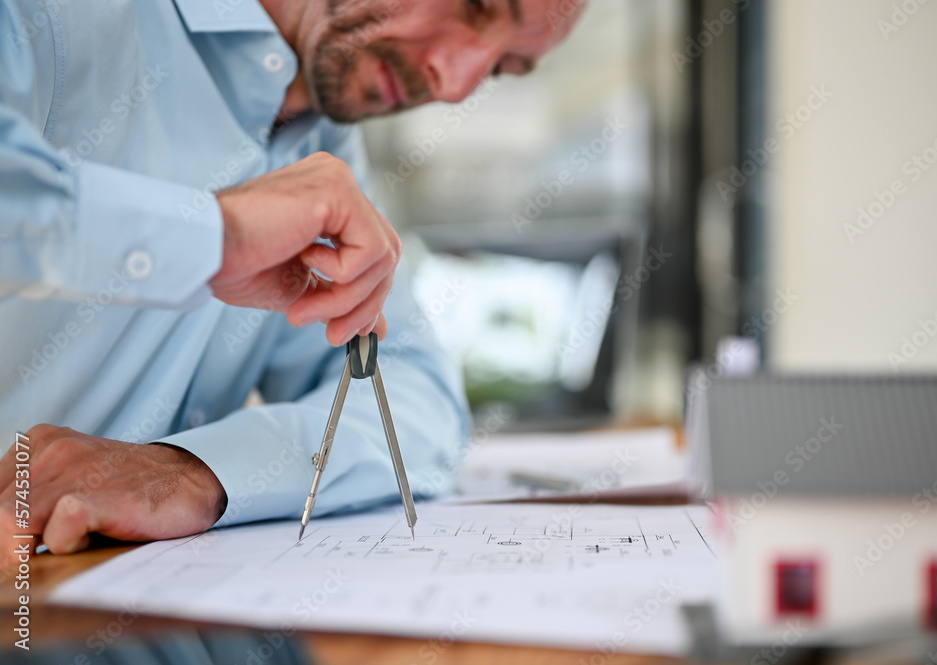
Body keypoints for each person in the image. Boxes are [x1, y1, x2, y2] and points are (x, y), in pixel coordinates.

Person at [0, 0, 585, 567]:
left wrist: (195, 470)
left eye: (501, 69)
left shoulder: (324, 143)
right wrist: (212, 236)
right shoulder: (54, 15)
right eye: (476, 4)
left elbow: (420, 392)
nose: (456, 84)